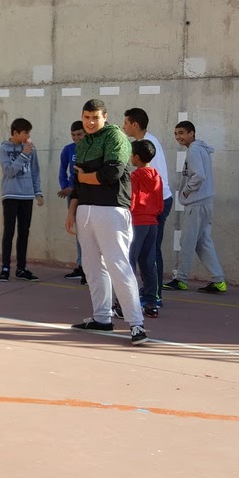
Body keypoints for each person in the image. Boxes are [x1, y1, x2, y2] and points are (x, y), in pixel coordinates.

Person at [64, 99, 148, 345]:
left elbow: (112, 174)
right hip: (85, 212)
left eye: (95, 118)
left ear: (105, 117)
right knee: (92, 267)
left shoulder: (116, 138)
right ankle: (102, 318)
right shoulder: (83, 143)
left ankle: (136, 325)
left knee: (119, 266)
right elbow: (77, 182)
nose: (90, 122)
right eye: (86, 117)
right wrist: (72, 211)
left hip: (112, 211)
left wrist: (86, 176)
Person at [164, 121, 227, 294]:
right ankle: (218, 280)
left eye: (182, 133)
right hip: (205, 201)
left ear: (192, 133)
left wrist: (186, 191)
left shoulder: (193, 150)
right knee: (203, 242)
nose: (178, 137)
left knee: (187, 242)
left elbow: (199, 175)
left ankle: (181, 279)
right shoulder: (199, 149)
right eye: (176, 133)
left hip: (197, 203)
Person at [122, 108, 173, 286]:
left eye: (126, 123)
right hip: (154, 204)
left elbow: (153, 180)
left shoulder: (145, 145)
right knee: (147, 252)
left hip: (155, 204)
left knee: (150, 252)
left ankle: (154, 294)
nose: (123, 127)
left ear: (135, 124)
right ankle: (150, 292)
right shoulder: (147, 142)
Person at [0, 118, 44, 282]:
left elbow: (35, 171)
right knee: (9, 232)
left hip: (26, 195)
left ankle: (21, 268)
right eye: (25, 132)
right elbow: (9, 171)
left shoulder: (31, 148)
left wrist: (37, 192)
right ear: (16, 132)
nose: (28, 135)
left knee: (24, 232)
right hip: (10, 195)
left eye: (28, 132)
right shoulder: (4, 148)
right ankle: (5, 268)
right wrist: (24, 154)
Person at [129, 140, 164, 317]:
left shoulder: (134, 177)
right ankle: (152, 302)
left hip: (137, 222)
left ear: (136, 157)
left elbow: (132, 200)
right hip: (152, 223)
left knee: (129, 262)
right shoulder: (156, 175)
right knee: (149, 263)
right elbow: (160, 201)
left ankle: (125, 302)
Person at [59, 121, 86, 281]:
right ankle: (81, 265)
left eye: (79, 134)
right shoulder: (68, 149)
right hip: (73, 194)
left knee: (88, 229)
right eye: (73, 135)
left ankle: (90, 267)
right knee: (79, 231)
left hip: (87, 193)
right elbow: (62, 170)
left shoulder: (91, 148)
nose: (76, 138)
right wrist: (66, 186)